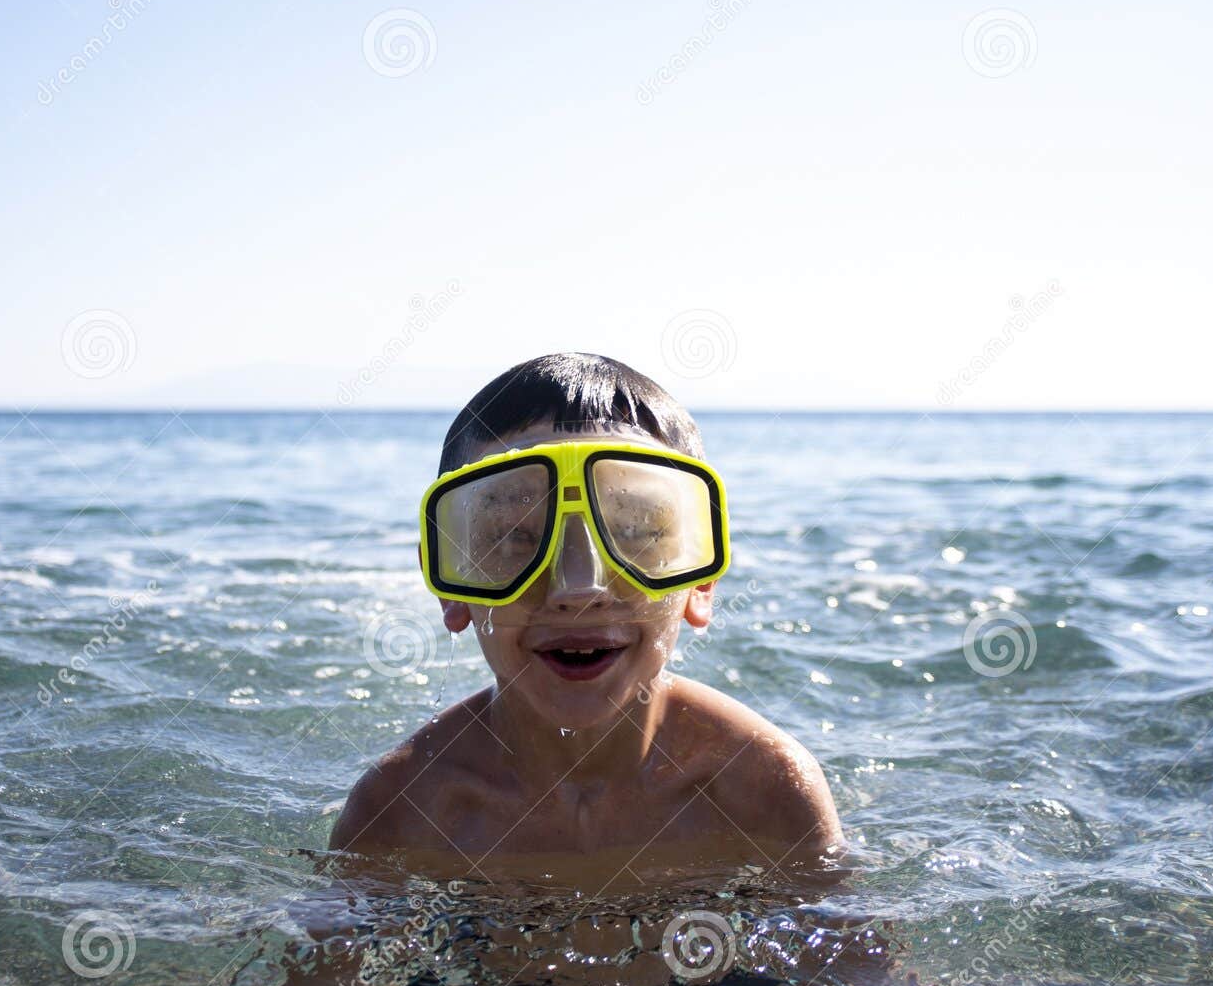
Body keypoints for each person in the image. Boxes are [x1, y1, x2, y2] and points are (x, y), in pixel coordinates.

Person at [330, 353, 842, 884]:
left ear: (701, 581)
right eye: (513, 537)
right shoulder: (403, 813)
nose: (578, 589)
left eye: (635, 532)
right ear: (450, 584)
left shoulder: (765, 789)